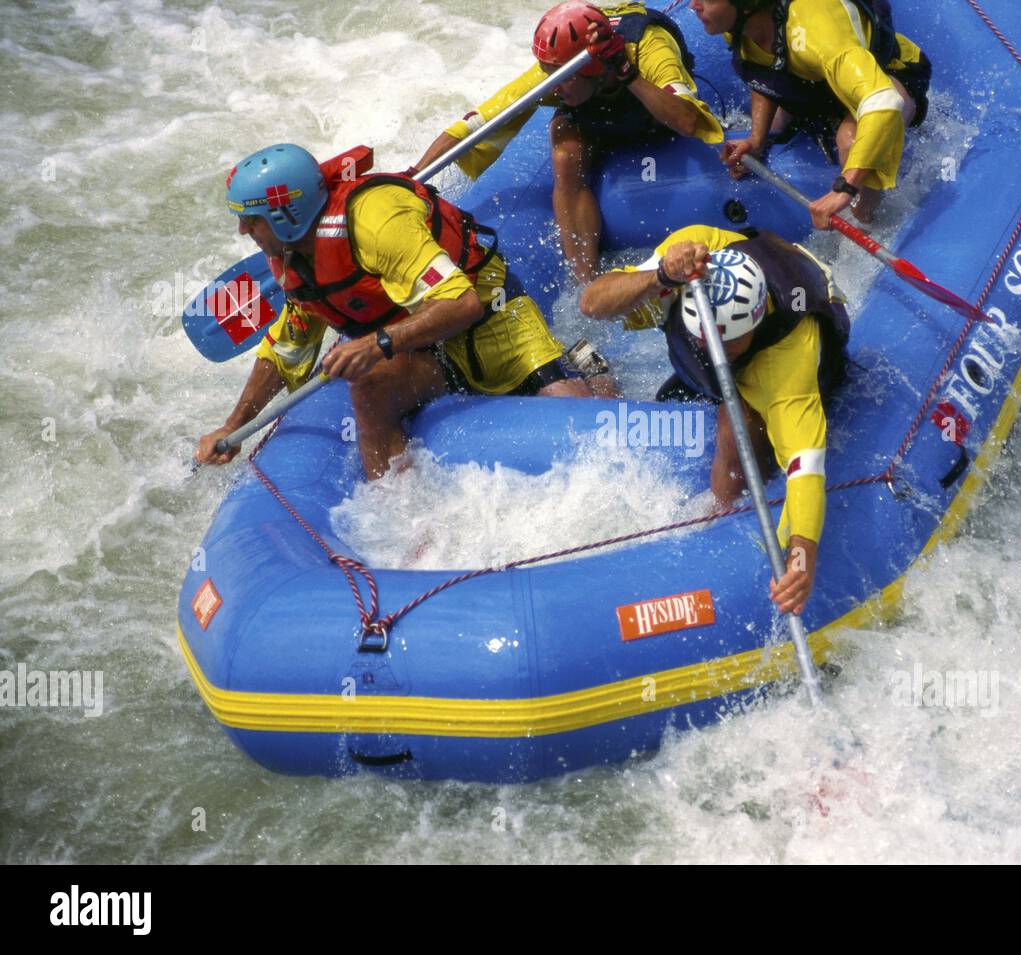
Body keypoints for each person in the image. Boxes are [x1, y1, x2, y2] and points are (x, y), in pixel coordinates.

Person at [196, 142, 597, 481]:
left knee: (573, 411)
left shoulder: (378, 221)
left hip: (488, 318)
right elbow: (288, 351)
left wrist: (377, 343)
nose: (243, 231)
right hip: (418, 346)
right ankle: (400, 514)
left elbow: (462, 303)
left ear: (286, 214)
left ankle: (587, 368)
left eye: (251, 220)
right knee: (367, 381)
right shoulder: (290, 256)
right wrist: (234, 427)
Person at [580, 224, 850, 614]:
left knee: (736, 432)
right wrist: (660, 276)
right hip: (710, 311)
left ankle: (719, 517)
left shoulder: (790, 364)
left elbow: (806, 467)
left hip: (796, 341)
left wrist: (802, 559)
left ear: (752, 321)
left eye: (726, 342)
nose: (714, 349)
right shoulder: (689, 259)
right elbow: (591, 303)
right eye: (707, 340)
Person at [410, 2, 724, 284]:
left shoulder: (649, 47)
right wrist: (412, 177)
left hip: (650, 111)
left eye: (559, 77)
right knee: (563, 148)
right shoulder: (558, 72)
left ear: (593, 69)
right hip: (598, 113)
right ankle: (586, 278)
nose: (553, 87)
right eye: (548, 74)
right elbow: (474, 125)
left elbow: (687, 121)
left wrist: (628, 75)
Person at [689, 0, 930, 228]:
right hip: (817, 82)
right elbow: (761, 70)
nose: (693, 5)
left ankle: (867, 220)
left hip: (887, 73)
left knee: (850, 140)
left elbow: (884, 101)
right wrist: (756, 139)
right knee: (774, 125)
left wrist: (845, 188)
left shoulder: (817, 30)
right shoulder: (738, 21)